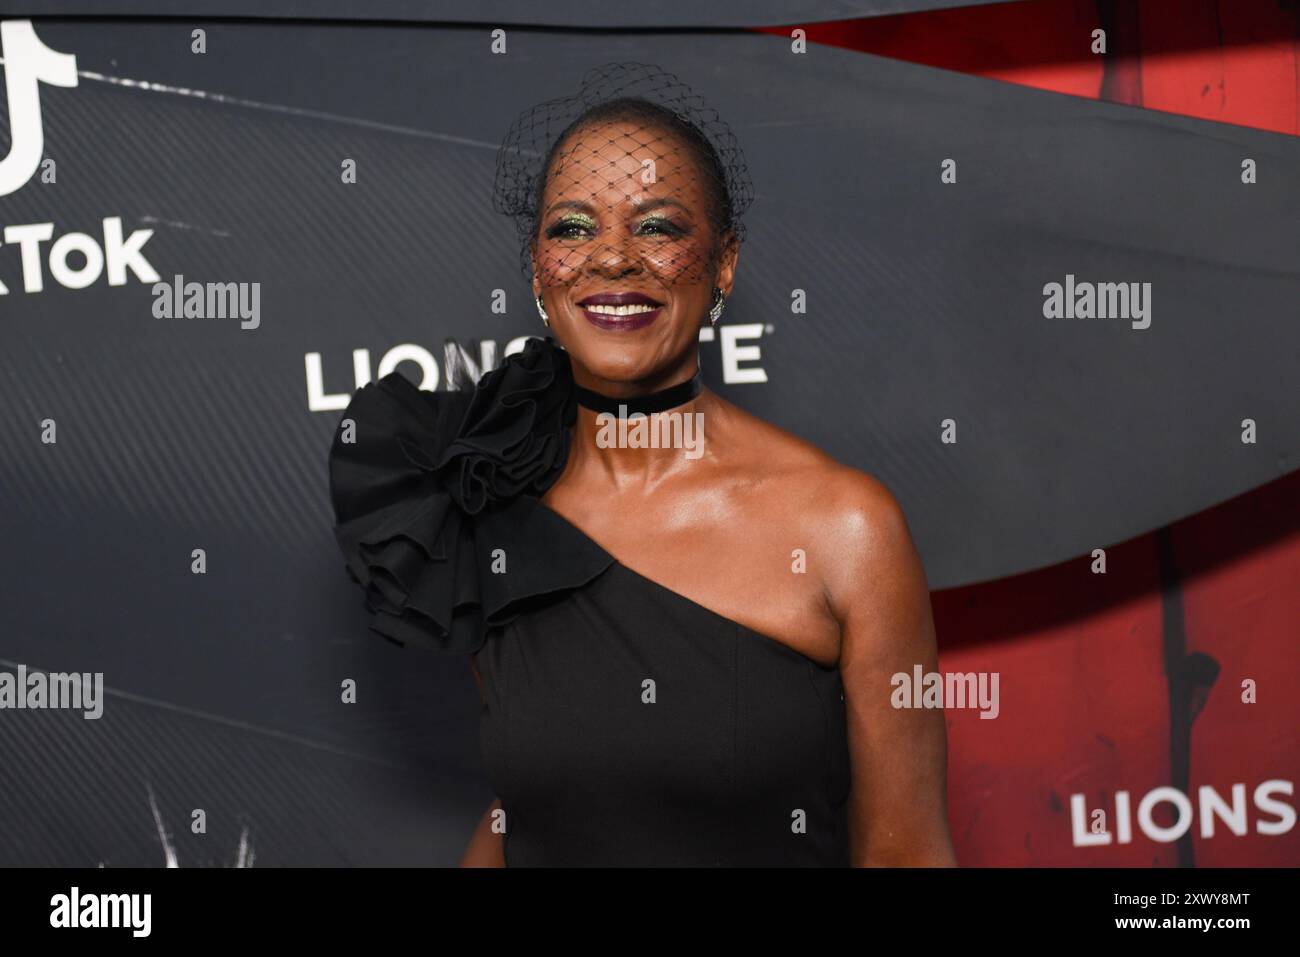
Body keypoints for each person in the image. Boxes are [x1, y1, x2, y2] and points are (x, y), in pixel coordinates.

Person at [330, 63, 956, 867]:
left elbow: (907, 856)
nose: (613, 258)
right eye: (572, 228)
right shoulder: (493, 497)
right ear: (536, 269)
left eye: (658, 227)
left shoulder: (847, 528)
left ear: (724, 261)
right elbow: (531, 811)